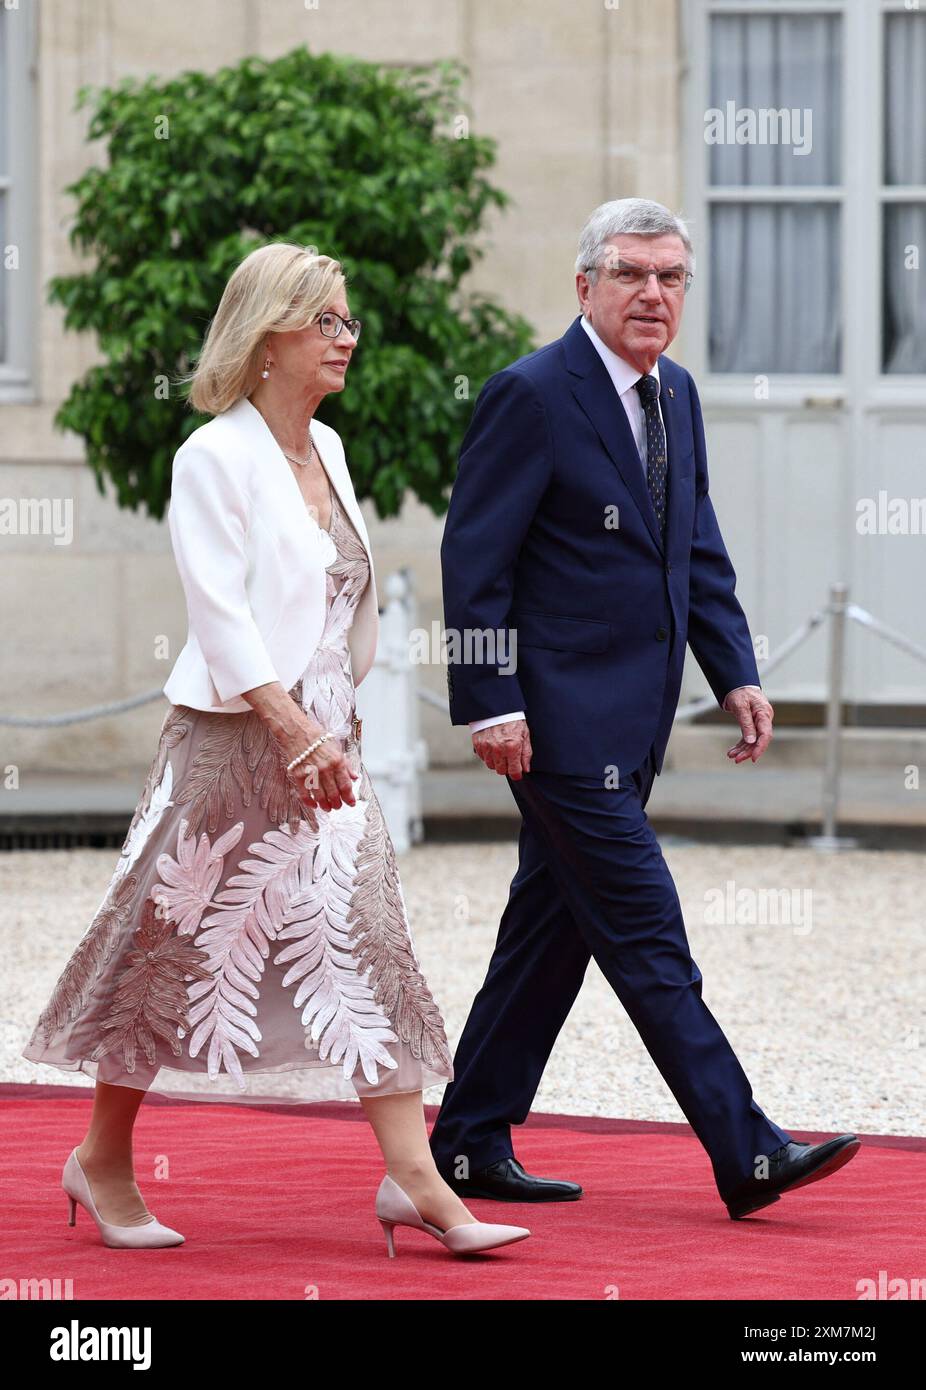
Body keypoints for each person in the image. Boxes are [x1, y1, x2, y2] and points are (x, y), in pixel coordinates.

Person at [22, 243, 529, 1259]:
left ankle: (415, 1178)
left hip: (324, 745)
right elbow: (219, 617)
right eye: (327, 322)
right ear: (265, 339)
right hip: (231, 743)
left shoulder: (330, 449)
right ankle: (102, 1158)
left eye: (349, 321)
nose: (348, 338)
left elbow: (344, 599)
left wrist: (330, 724)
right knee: (165, 952)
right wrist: (290, 728)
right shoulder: (211, 457)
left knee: (365, 949)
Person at [432, 198, 860, 1219]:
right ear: (584, 285)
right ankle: (744, 1149)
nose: (652, 294)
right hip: (555, 732)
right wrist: (489, 701)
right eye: (630, 274)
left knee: (547, 933)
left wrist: (736, 670)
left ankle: (462, 1141)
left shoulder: (675, 394)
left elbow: (691, 550)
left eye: (670, 277)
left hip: (634, 726)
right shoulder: (531, 394)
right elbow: (471, 560)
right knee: (646, 933)